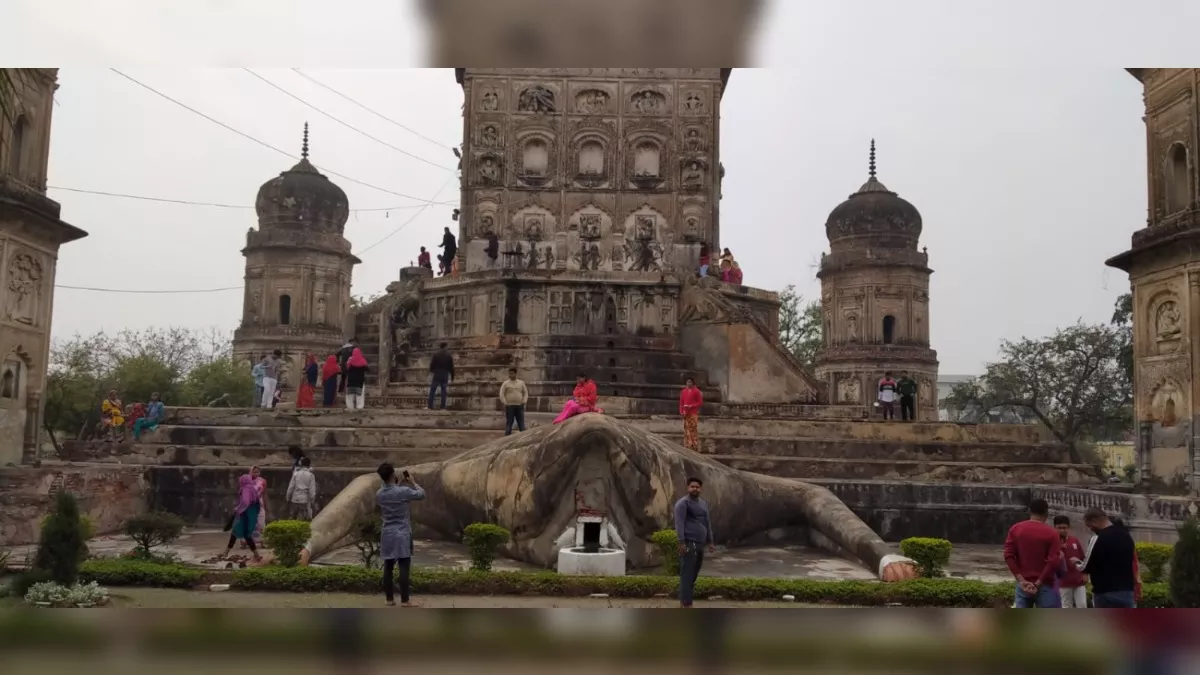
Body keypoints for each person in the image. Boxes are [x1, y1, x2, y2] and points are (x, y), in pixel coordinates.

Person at [377, 462, 426, 607]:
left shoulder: (379, 494)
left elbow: (391, 493)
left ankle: (389, 599)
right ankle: (405, 600)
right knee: (404, 566)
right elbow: (422, 494)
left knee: (388, 566)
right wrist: (413, 482)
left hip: (387, 533)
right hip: (402, 532)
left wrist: (400, 485)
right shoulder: (403, 491)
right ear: (393, 474)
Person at [1071, 507, 1137, 608]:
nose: (1090, 529)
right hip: (1127, 592)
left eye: (1089, 526)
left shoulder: (1097, 538)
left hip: (1105, 593)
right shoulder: (1126, 536)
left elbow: (1085, 567)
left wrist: (1076, 562)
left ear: (1094, 520)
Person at [1003, 498, 1063, 608]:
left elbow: (1008, 555)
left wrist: (1021, 580)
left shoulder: (1016, 529)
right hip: (1045, 585)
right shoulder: (1052, 533)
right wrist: (1038, 583)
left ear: (1030, 511)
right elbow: (1053, 562)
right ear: (1047, 513)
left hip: (1023, 584)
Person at [673, 477, 715, 608]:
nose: (695, 489)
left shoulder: (703, 503)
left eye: (697, 487)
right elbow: (679, 524)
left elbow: (707, 522)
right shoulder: (683, 504)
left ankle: (684, 601)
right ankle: (687, 604)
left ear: (701, 489)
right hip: (689, 543)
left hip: (700, 543)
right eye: (692, 487)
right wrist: (681, 542)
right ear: (687, 488)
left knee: (693, 576)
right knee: (687, 575)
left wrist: (711, 541)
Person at [222, 473, 263, 563]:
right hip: (249, 514)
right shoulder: (252, 488)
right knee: (237, 532)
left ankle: (257, 555)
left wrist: (238, 509)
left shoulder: (246, 489)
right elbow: (256, 503)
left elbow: (245, 501)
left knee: (241, 533)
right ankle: (226, 552)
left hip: (244, 514)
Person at [1054, 515, 1088, 608]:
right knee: (1066, 606)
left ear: (1069, 528)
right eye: (1059, 528)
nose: (1062, 530)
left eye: (1064, 528)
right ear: (1055, 528)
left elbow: (1083, 557)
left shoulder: (1074, 540)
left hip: (1078, 580)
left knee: (1082, 605)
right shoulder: (1053, 542)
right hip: (1063, 582)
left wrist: (1085, 574)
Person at [286, 457, 318, 521]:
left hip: (294, 499)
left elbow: (290, 487)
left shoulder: (296, 474)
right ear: (309, 464)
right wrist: (312, 502)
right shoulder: (310, 475)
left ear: (301, 464)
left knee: (292, 519)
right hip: (304, 500)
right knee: (302, 520)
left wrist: (288, 498)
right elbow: (312, 491)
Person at [499, 368, 528, 435]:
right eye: (509, 373)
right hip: (510, 406)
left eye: (511, 373)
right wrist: (505, 402)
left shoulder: (521, 383)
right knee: (509, 422)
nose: (510, 375)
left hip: (519, 405)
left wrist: (524, 401)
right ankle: (507, 437)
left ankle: (524, 437)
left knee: (521, 423)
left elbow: (525, 392)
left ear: (515, 374)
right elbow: (501, 394)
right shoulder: (505, 383)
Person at [679, 377, 704, 451]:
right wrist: (681, 411)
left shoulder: (696, 391)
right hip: (685, 413)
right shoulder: (683, 392)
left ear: (693, 383)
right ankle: (687, 445)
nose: (689, 384)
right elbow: (681, 403)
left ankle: (694, 445)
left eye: (690, 382)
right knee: (686, 429)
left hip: (693, 413)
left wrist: (691, 406)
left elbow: (700, 402)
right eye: (687, 382)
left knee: (693, 429)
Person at [428, 342, 455, 410]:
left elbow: (432, 365)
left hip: (437, 373)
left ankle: (430, 406)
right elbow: (451, 367)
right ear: (445, 347)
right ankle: (442, 406)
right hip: (445, 374)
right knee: (444, 391)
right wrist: (452, 376)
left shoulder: (436, 354)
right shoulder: (449, 355)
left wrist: (432, 371)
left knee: (432, 390)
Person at [251, 465, 268, 546]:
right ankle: (246, 542)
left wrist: (266, 506)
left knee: (261, 522)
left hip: (259, 503)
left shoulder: (262, 481)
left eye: (258, 472)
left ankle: (262, 541)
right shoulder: (246, 481)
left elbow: (264, 494)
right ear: (250, 472)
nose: (256, 474)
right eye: (254, 472)